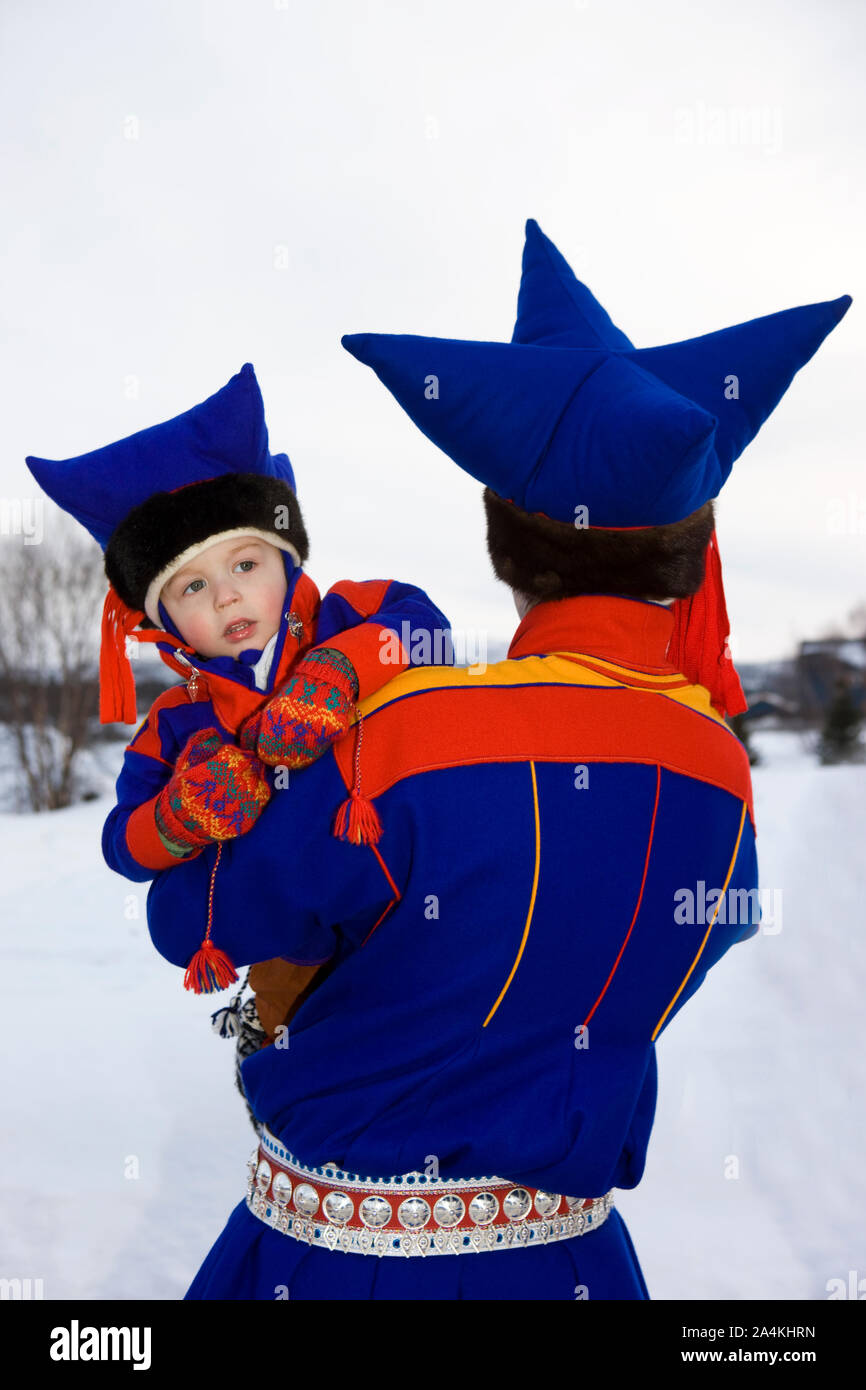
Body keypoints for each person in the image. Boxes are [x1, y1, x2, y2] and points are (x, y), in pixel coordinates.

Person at [131, 223, 854, 1299]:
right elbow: (696, 935)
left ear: (504, 543)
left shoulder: (408, 727)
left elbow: (197, 919)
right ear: (684, 548)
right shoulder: (719, 767)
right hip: (575, 1266)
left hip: (341, 1266)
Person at [25, 364, 452, 1087]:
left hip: (415, 896)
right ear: (163, 624)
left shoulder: (345, 616)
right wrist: (180, 817)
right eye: (192, 586)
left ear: (285, 562)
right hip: (295, 944)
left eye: (246, 562)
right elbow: (122, 843)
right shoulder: (175, 721)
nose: (227, 594)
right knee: (307, 1059)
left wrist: (340, 672)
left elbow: (424, 630)